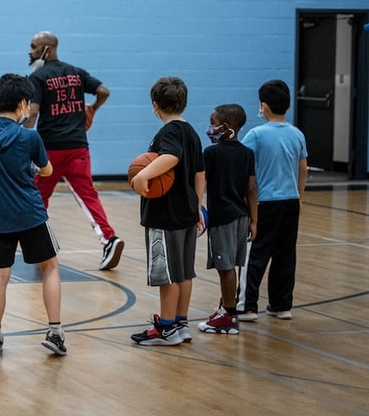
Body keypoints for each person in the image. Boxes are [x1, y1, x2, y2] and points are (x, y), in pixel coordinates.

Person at [0, 73, 67, 358]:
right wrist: (30, 169)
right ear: (23, 104)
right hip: (30, 214)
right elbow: (47, 171)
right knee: (50, 267)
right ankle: (55, 332)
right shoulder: (29, 136)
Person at [24, 31, 125, 270]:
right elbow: (104, 91)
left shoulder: (38, 77)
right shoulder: (77, 73)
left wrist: (24, 139)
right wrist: (94, 109)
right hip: (79, 147)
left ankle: (41, 245)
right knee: (88, 195)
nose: (30, 51)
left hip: (51, 151)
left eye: (33, 46)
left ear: (46, 50)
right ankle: (109, 239)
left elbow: (33, 111)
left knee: (38, 197)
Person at [129, 77, 205, 346]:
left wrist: (142, 177)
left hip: (166, 214)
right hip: (185, 212)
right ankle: (181, 324)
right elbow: (200, 173)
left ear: (155, 105)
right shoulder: (192, 133)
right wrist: (198, 206)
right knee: (184, 273)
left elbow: (170, 157)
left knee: (167, 275)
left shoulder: (169, 133)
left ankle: (167, 327)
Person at [238, 80, 307, 321]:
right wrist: (299, 197)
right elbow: (303, 168)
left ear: (263, 106)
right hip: (290, 200)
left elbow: (246, 172)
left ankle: (247, 306)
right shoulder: (297, 134)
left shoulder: (255, 135)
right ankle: (281, 305)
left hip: (265, 203)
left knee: (256, 253)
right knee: (285, 254)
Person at [199, 104, 257, 335]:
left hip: (223, 216)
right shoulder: (247, 153)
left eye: (213, 123)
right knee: (230, 265)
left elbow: (201, 184)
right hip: (242, 216)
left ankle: (229, 317)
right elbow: (252, 189)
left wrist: (196, 209)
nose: (210, 128)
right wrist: (254, 220)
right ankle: (225, 308)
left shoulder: (211, 153)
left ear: (226, 127)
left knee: (225, 268)